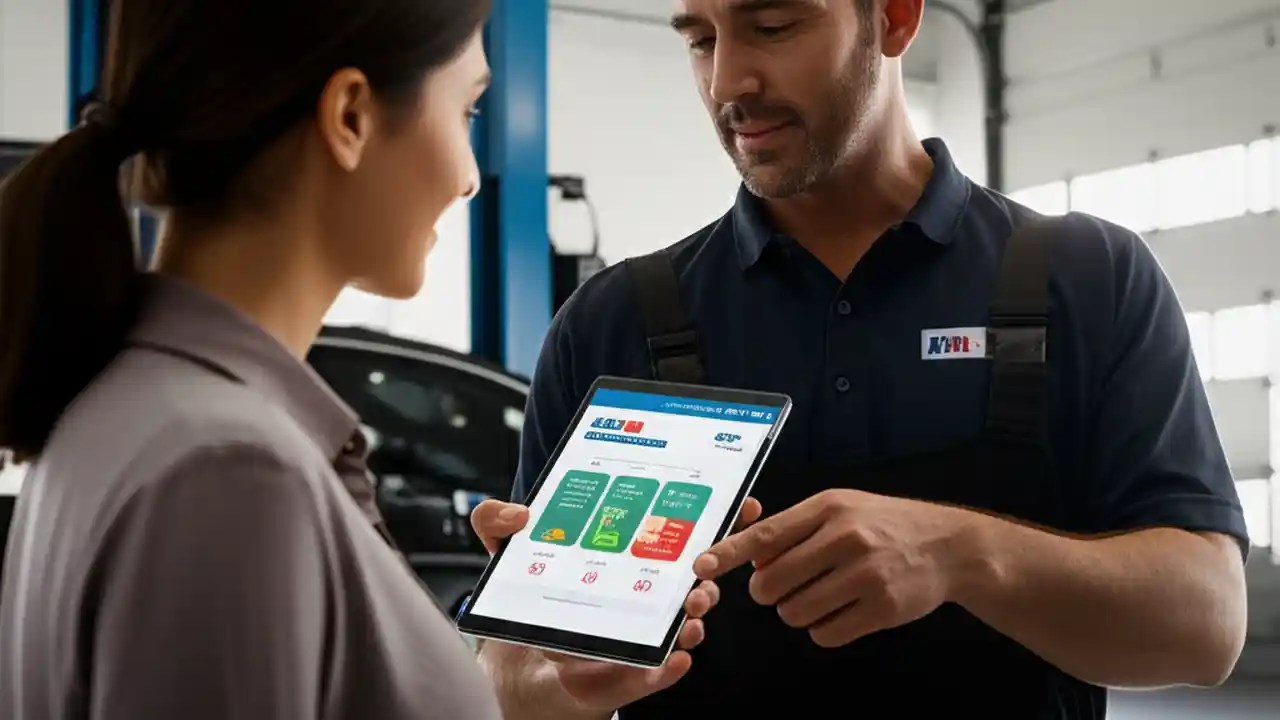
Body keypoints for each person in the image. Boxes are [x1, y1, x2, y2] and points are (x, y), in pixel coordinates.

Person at [472, 0, 1250, 717]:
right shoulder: (612, 323)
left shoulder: (1086, 278)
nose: (728, 82)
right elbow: (509, 675)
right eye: (701, 40)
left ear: (896, 18)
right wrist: (557, 683)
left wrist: (963, 553)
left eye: (773, 26)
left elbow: (1208, 624)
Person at [0, 2, 691, 719]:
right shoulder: (231, 470)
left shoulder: (135, 409)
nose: (469, 178)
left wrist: (520, 702)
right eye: (469, 112)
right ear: (351, 117)